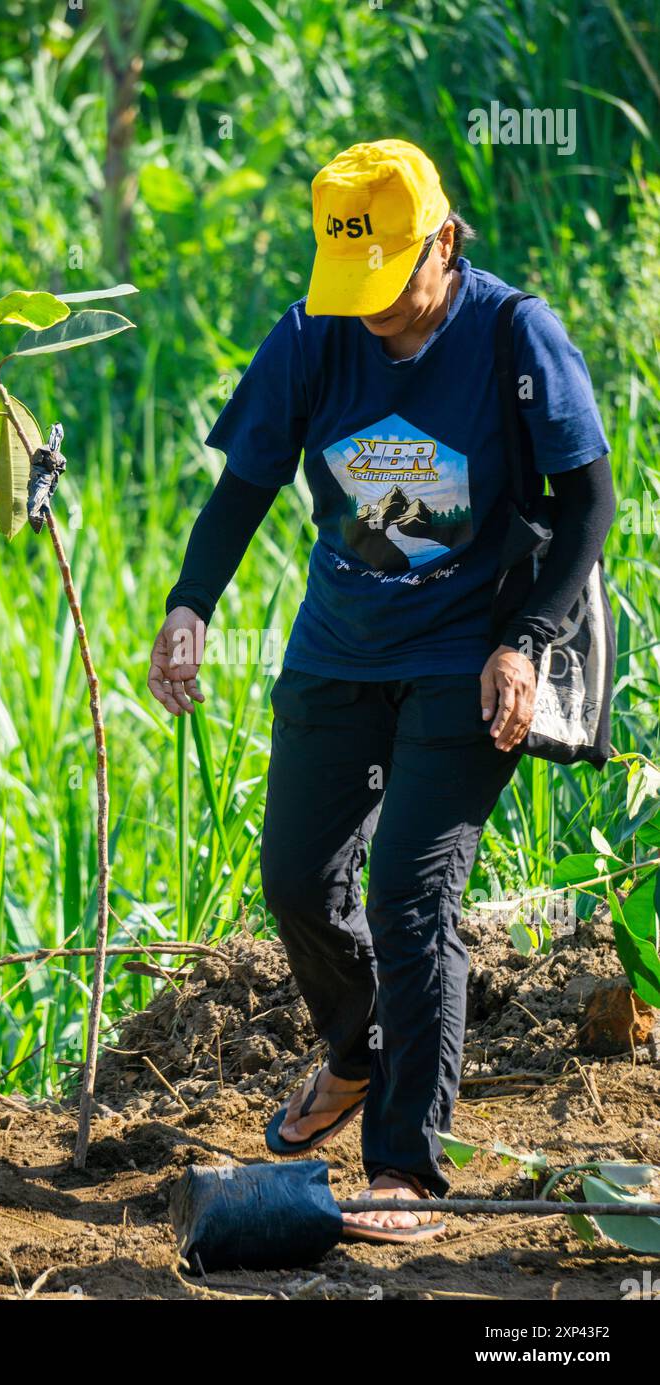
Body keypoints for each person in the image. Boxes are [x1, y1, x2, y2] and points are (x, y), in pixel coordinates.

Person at [149, 140, 615, 1242]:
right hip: (339, 647)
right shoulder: (314, 333)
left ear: (443, 243)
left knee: (411, 889)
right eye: (349, 288)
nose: (373, 315)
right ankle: (359, 1047)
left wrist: (526, 641)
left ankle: (404, 1166)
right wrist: (188, 605)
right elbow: (247, 484)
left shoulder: (512, 334)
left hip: (472, 655)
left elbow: (589, 502)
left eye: (392, 287)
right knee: (298, 882)